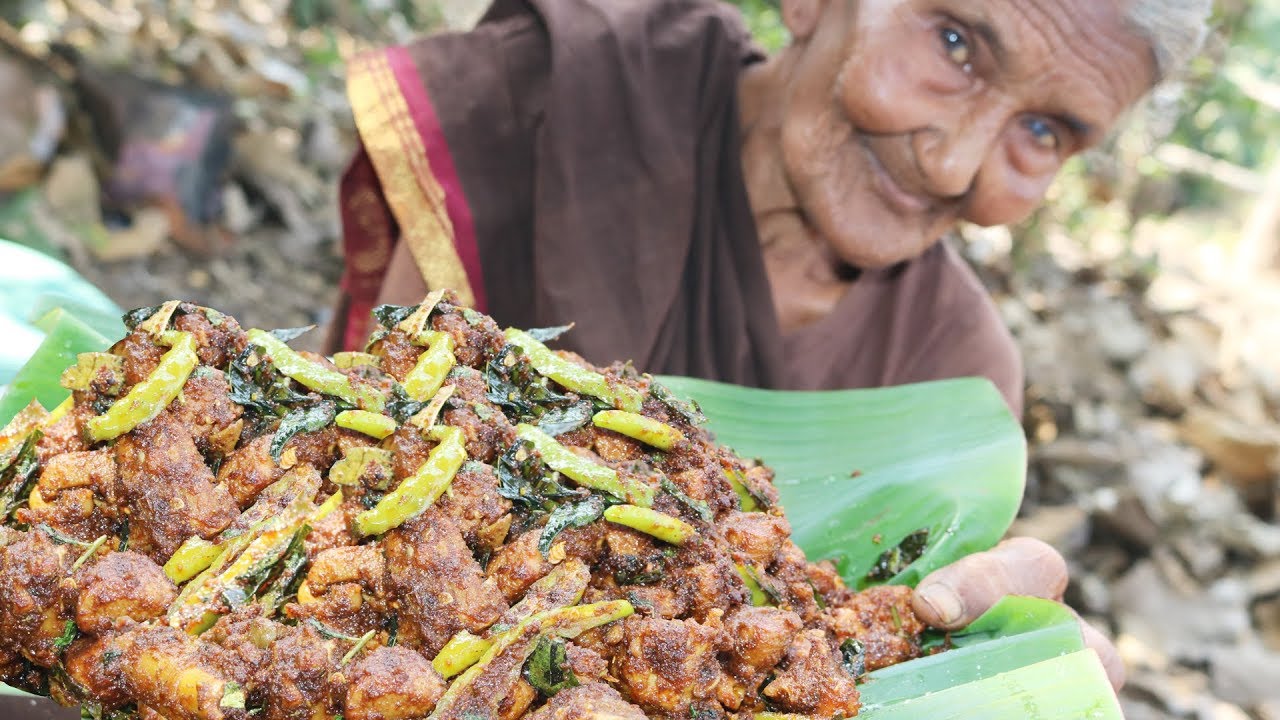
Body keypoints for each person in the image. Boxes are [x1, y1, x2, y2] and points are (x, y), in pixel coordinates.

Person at [326, 0, 1210, 693]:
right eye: (954, 43)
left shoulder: (953, 376)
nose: (956, 164)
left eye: (1045, 132)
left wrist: (1000, 660)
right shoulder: (567, 98)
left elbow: (868, 652)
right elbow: (362, 458)